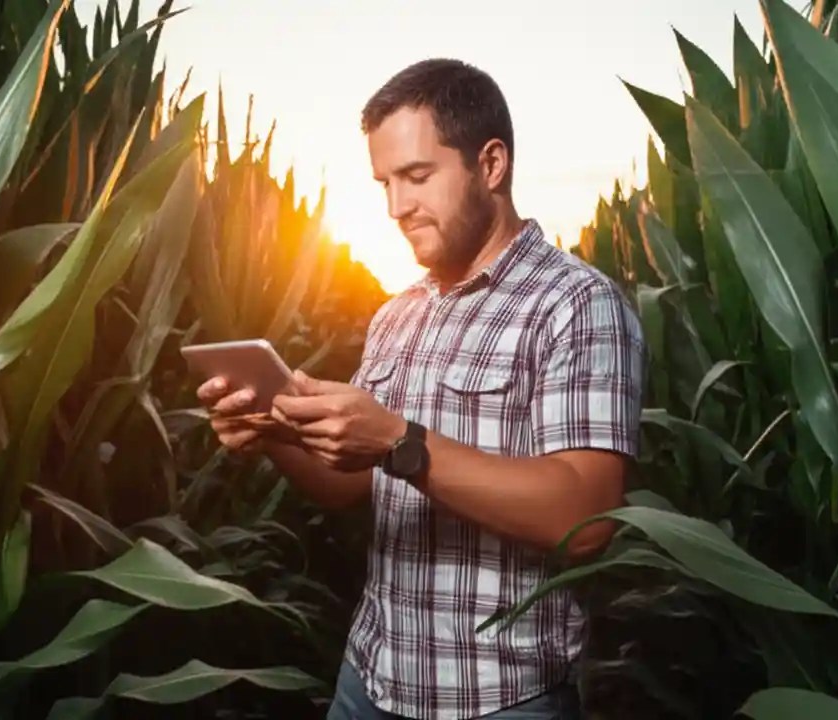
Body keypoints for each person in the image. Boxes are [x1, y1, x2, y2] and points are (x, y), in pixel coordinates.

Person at [196, 58, 646, 720]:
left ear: (490, 165)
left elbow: (585, 520)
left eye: (416, 176)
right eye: (384, 183)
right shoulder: (396, 314)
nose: (396, 206)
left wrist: (400, 441)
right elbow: (351, 482)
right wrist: (274, 435)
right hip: (369, 680)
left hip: (501, 699)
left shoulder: (576, 305)